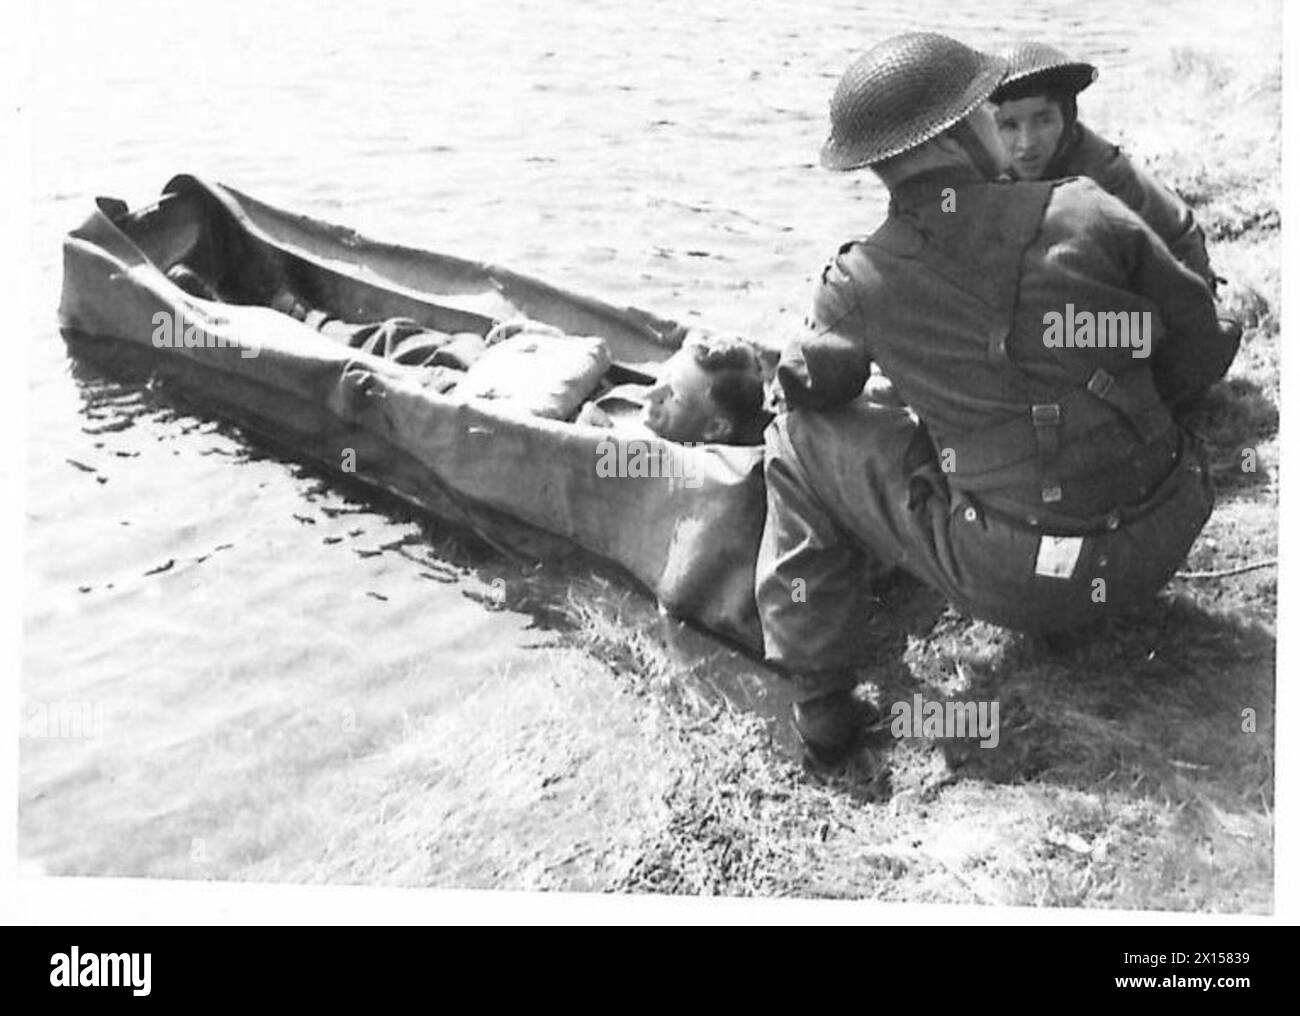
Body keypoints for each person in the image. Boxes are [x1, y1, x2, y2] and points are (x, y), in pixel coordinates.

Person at [757, 32, 1240, 766]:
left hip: (1022, 583)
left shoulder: (858, 282)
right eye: (991, 112)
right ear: (963, 129)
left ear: (877, 164)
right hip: (1160, 539)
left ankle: (821, 703)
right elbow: (1200, 341)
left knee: (795, 440)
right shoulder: (1084, 210)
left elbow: (813, 387)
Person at [990, 41, 1218, 293]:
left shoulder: (1107, 180)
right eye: (1009, 125)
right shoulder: (982, 162)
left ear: (1067, 119)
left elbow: (1180, 267)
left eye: (1044, 120)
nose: (1027, 143)